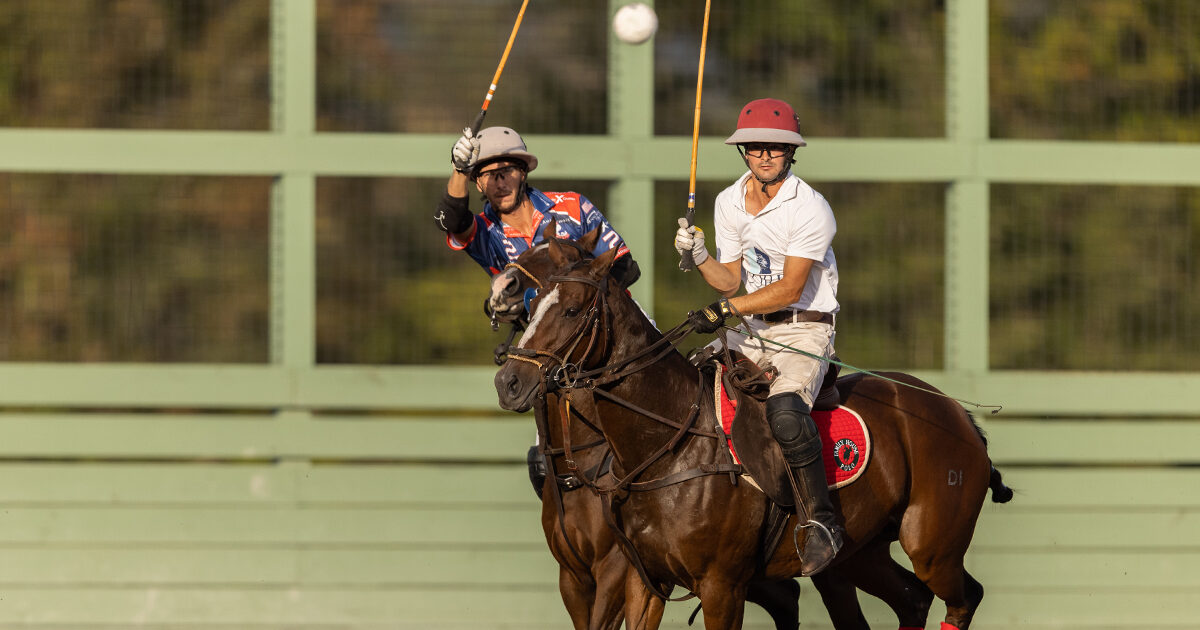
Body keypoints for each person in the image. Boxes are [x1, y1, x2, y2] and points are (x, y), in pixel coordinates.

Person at [673, 98, 842, 576]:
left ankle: (822, 521)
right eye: (756, 147)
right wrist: (701, 256)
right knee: (685, 379)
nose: (765, 156)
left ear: (791, 152)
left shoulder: (810, 207)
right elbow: (730, 281)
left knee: (786, 413)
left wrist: (727, 310)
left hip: (805, 328)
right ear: (743, 151)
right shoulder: (729, 201)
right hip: (753, 327)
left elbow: (788, 288)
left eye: (776, 147)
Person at [434, 124, 641, 497]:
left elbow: (626, 268)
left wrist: (578, 300)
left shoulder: (572, 206)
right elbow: (451, 221)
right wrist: (459, 170)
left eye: (507, 171)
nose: (500, 182)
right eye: (488, 175)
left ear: (523, 172)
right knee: (545, 465)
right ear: (478, 184)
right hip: (553, 348)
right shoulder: (485, 232)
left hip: (612, 330)